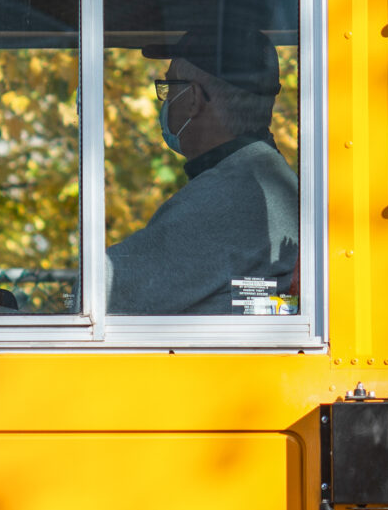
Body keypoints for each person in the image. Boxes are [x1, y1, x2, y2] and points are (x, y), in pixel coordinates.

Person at [107, 24, 300, 315]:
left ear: (193, 99)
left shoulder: (227, 198)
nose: (166, 101)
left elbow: (104, 295)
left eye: (169, 88)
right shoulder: (270, 180)